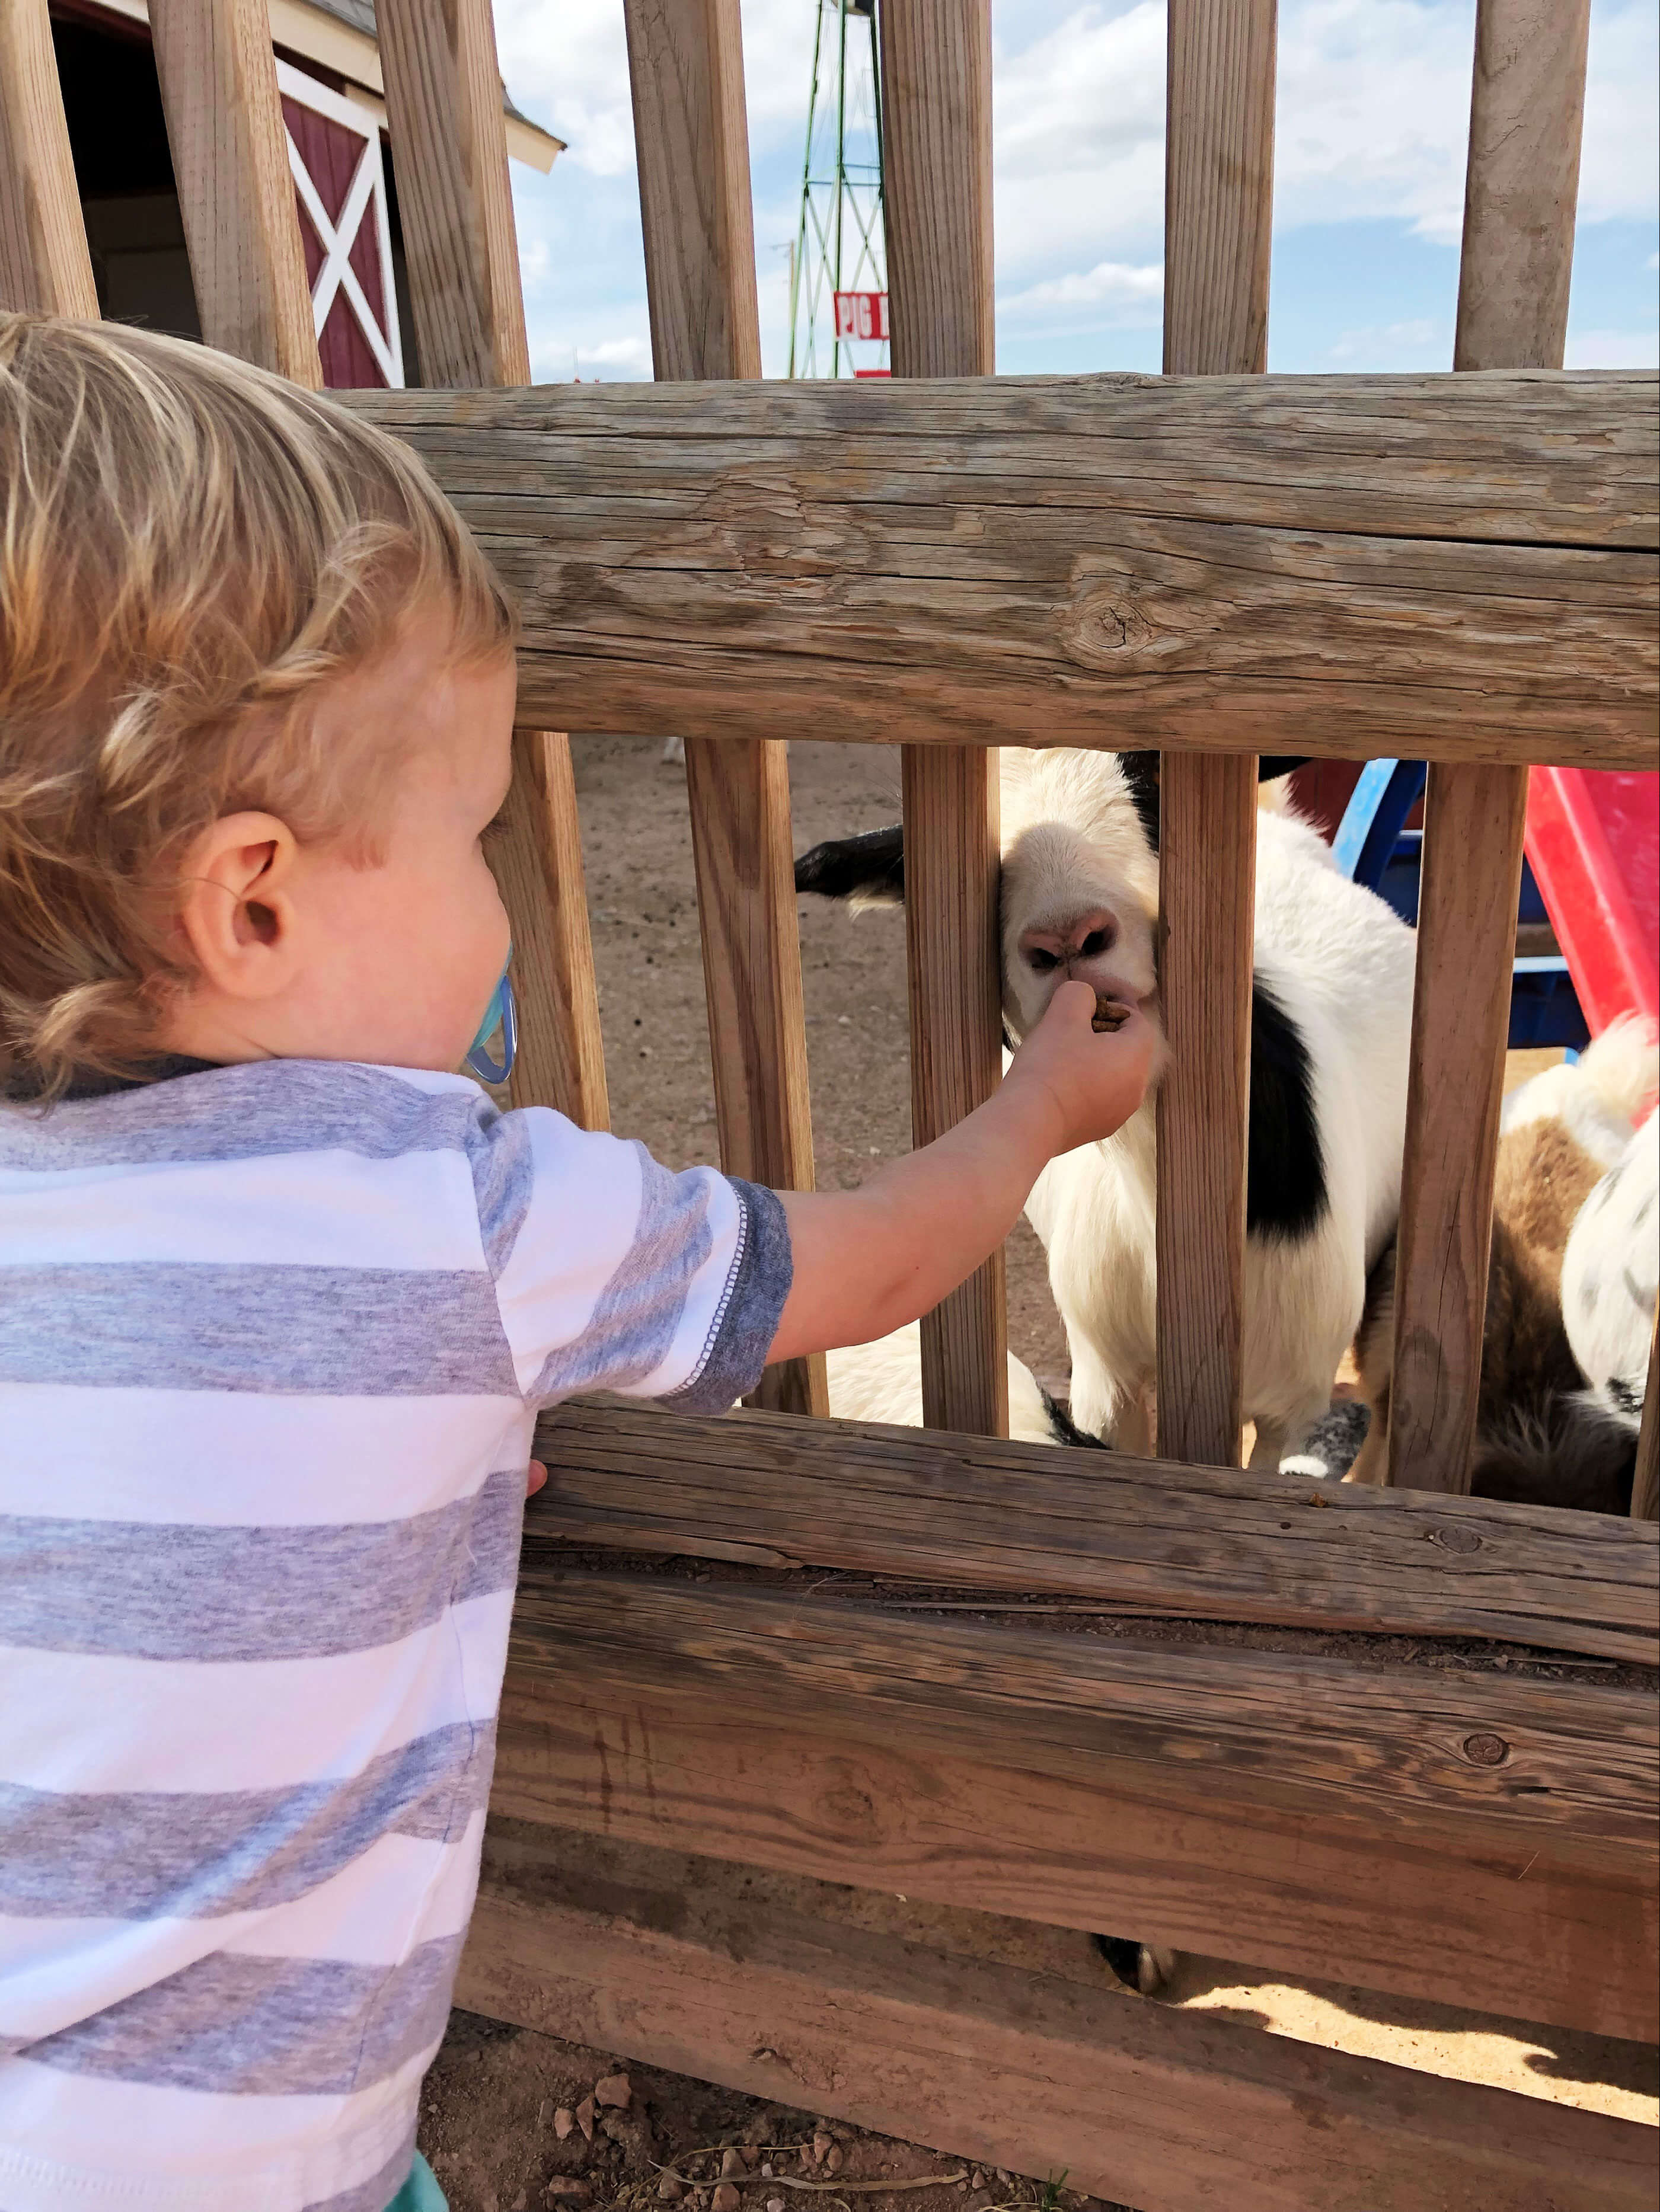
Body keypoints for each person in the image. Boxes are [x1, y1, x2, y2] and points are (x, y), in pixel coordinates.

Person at [0, 314, 1159, 2212]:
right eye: (472, 832)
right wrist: (1041, 1110)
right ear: (255, 902)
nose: (506, 889)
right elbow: (864, 1268)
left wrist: (366, 1468)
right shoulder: (448, 1213)